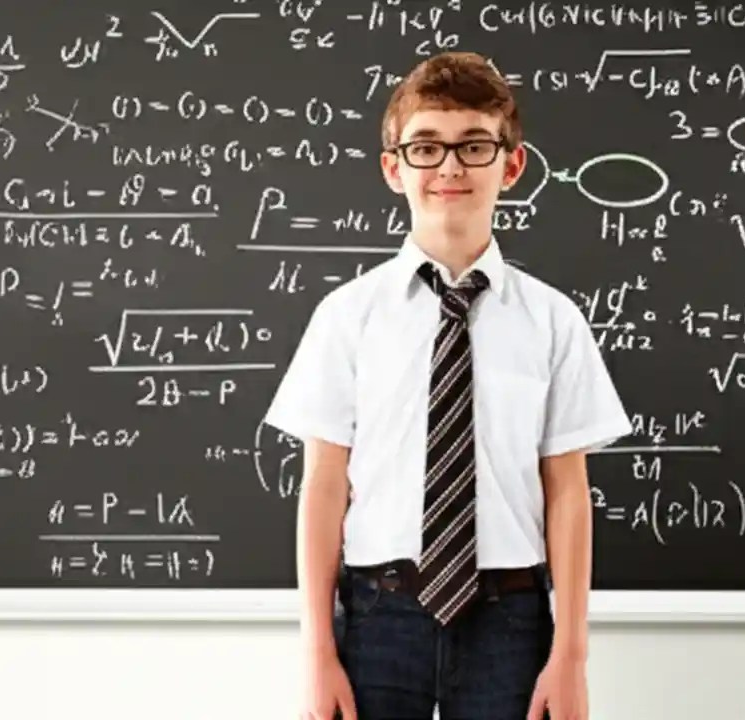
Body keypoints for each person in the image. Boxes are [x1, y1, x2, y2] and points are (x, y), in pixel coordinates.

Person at [264, 50, 631, 720]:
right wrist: (317, 654)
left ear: (512, 165)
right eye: (426, 147)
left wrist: (571, 656)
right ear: (393, 167)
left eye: (474, 146)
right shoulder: (348, 315)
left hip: (510, 621)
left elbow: (569, 490)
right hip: (379, 617)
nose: (450, 167)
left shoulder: (552, 320)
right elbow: (323, 486)